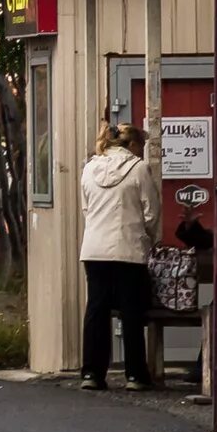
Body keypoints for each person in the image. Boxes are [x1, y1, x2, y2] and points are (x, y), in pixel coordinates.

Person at [78, 121, 157, 391]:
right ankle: (135, 374)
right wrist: (148, 238)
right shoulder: (139, 168)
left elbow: (86, 208)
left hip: (94, 248)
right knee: (131, 310)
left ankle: (91, 373)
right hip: (128, 247)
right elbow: (150, 213)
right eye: (142, 145)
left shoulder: (89, 168)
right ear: (132, 145)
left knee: (96, 309)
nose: (142, 151)